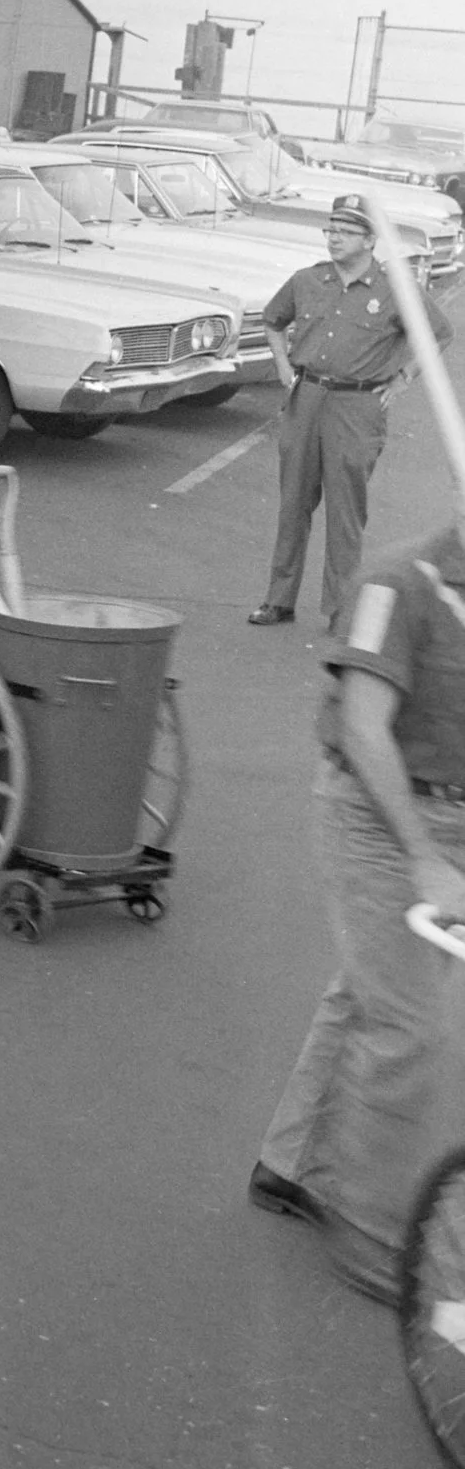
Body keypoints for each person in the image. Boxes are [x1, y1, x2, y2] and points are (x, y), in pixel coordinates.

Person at [251, 525, 465, 1303]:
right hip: (378, 817)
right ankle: (372, 1236)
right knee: (411, 1026)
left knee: (366, 991)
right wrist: (426, 860)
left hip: (455, 815)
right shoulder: (396, 585)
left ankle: (292, 1162)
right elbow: (363, 729)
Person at [250, 195, 452, 633]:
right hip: (306, 399)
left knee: (345, 511)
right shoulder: (308, 280)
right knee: (293, 504)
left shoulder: (394, 288)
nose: (334, 238)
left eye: (345, 232)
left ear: (370, 240)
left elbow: (439, 333)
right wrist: (284, 365)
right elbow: (272, 319)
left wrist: (404, 378)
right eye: (331, 230)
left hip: (357, 407)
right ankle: (278, 600)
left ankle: (340, 608)